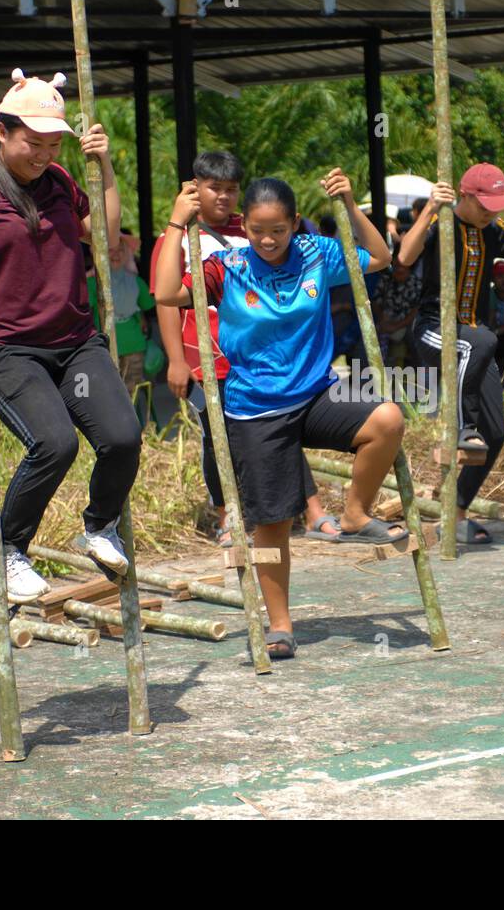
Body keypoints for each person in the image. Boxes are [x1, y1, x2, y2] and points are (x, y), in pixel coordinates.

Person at [155, 169, 401, 660]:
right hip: (254, 410)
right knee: (272, 524)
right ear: (244, 225)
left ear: (295, 226)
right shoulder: (227, 267)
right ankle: (281, 625)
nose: (268, 240)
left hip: (313, 394)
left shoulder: (318, 254)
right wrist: (177, 225)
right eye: (258, 230)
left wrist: (351, 206)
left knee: (387, 419)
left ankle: (354, 513)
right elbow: (165, 293)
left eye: (278, 230)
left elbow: (378, 257)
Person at [0, 67, 141, 603]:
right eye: (32, 143)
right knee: (54, 443)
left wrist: (103, 167)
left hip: (74, 341)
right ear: (3, 133)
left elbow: (105, 238)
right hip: (8, 348)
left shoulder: (63, 184)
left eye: (51, 145)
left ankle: (99, 526)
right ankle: (11, 548)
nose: (42, 155)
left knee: (123, 437)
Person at [151, 150, 342, 545]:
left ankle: (311, 509)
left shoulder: (255, 227)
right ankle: (227, 514)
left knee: (282, 429)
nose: (223, 197)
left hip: (265, 361)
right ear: (194, 189)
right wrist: (175, 360)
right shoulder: (179, 238)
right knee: (214, 434)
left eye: (231, 189)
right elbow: (165, 298)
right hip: (206, 361)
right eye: (213, 188)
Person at [397, 162, 504, 544]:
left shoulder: (494, 232)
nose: (491, 214)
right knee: (484, 343)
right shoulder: (441, 224)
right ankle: (460, 425)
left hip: (474, 338)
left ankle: (457, 511)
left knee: (496, 433)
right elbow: (404, 258)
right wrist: (431, 210)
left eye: (497, 208)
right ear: (464, 196)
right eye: (484, 206)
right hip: (435, 330)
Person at [87, 233, 154, 400]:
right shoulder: (91, 283)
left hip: (134, 346)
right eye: (110, 250)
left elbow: (146, 307)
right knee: (108, 396)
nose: (116, 255)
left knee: (132, 394)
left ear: (128, 255)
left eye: (121, 250)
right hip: (104, 349)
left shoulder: (136, 282)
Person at [375, 249, 424, 367]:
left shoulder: (416, 284)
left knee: (415, 337)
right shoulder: (386, 279)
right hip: (384, 321)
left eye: (402, 266)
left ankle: (420, 372)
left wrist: (396, 326)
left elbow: (416, 311)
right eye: (396, 266)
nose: (398, 269)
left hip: (406, 324)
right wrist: (382, 321)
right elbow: (375, 302)